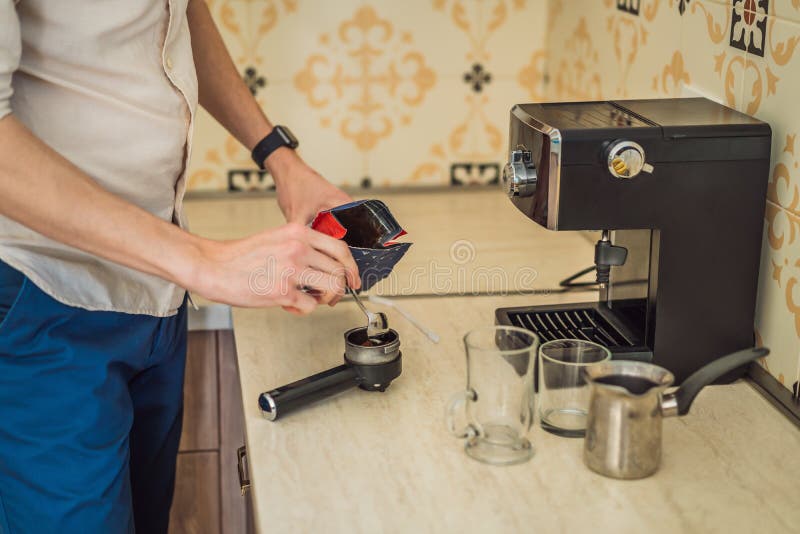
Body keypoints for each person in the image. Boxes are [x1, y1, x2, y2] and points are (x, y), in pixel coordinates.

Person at [0, 1, 360, 532]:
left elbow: (178, 13)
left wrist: (279, 158)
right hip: (43, 296)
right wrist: (206, 261)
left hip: (159, 291)